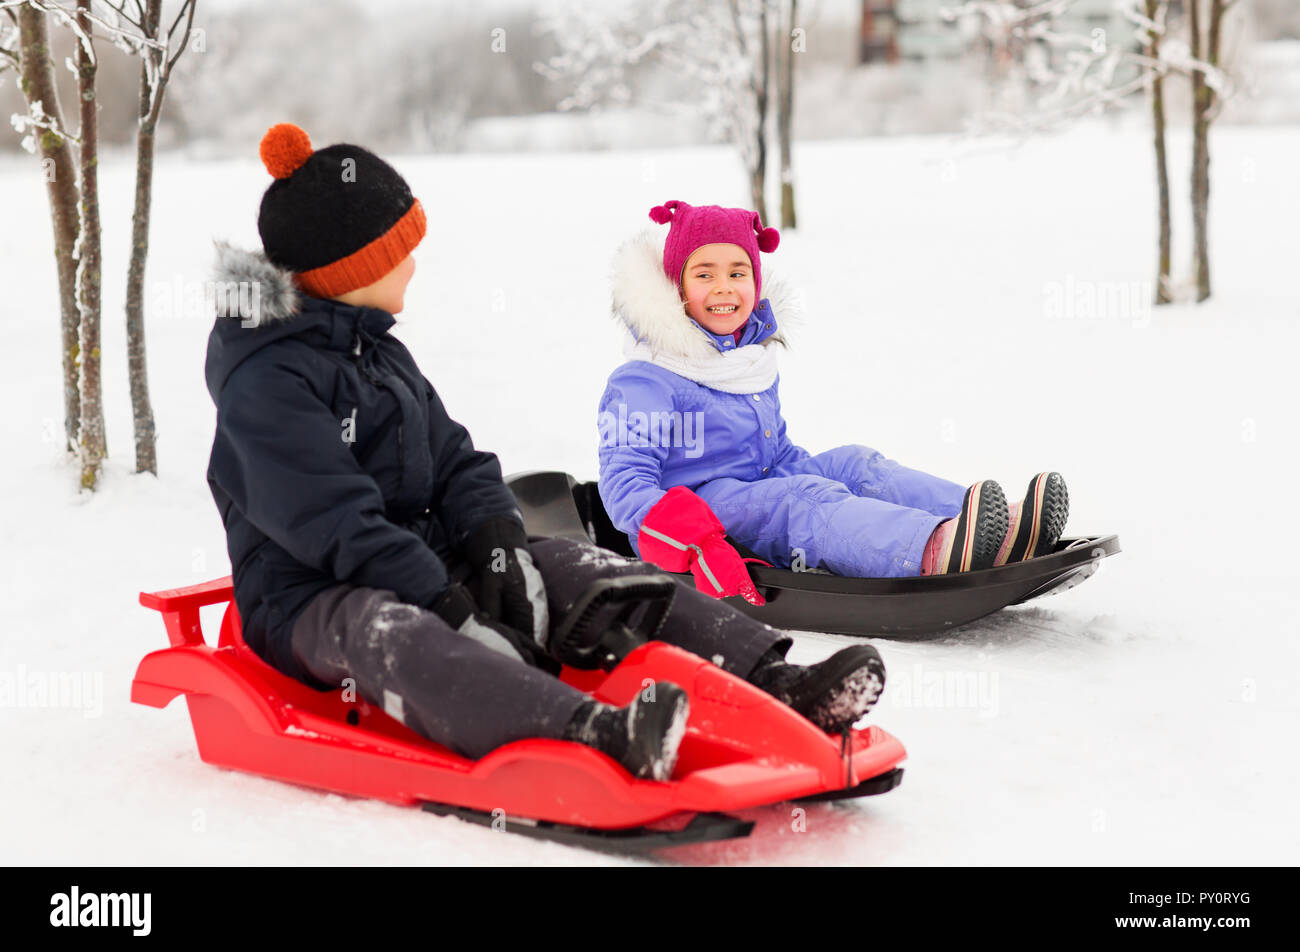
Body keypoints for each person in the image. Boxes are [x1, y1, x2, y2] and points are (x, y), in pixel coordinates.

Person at [204, 126, 887, 784]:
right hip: (311, 595)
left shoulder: (377, 349)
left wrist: (499, 544)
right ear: (354, 269)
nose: (412, 263)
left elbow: (455, 459)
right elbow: (336, 524)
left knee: (572, 563)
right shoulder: (265, 385)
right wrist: (446, 602)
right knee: (394, 633)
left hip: (420, 559)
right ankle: (595, 736)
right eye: (397, 250)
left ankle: (775, 683)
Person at [597, 200, 1071, 602]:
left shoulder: (744, 361)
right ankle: (929, 547)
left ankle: (987, 525)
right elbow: (625, 485)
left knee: (853, 464)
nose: (724, 287)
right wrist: (695, 542)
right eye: (704, 274)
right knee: (804, 498)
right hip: (696, 521)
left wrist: (828, 475)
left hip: (759, 492)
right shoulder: (647, 379)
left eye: (737, 272)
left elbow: (776, 455)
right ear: (677, 287)